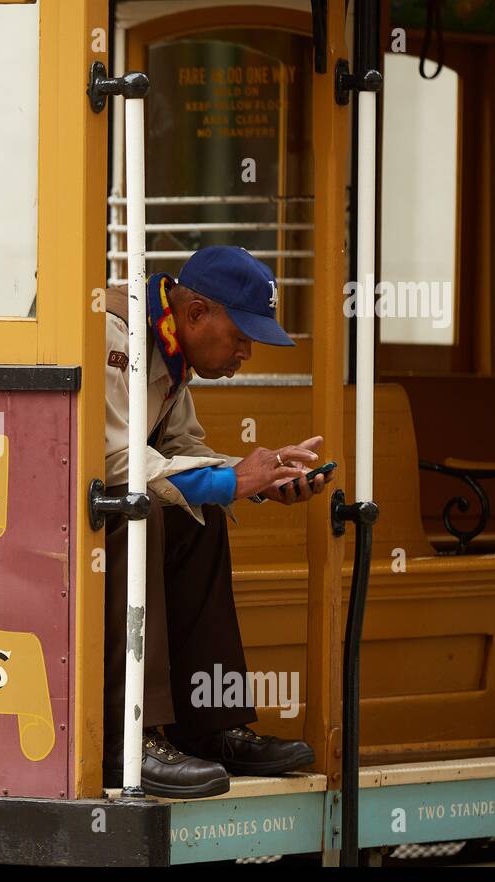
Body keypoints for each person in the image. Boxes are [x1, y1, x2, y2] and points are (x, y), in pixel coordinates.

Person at [102, 245, 331, 798]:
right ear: (198, 312)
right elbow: (118, 464)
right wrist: (234, 480)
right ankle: (130, 739)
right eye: (243, 334)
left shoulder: (172, 342)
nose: (247, 351)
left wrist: (259, 479)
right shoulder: (116, 336)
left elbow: (181, 448)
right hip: (59, 522)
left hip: (108, 500)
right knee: (145, 516)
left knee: (199, 518)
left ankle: (209, 724)